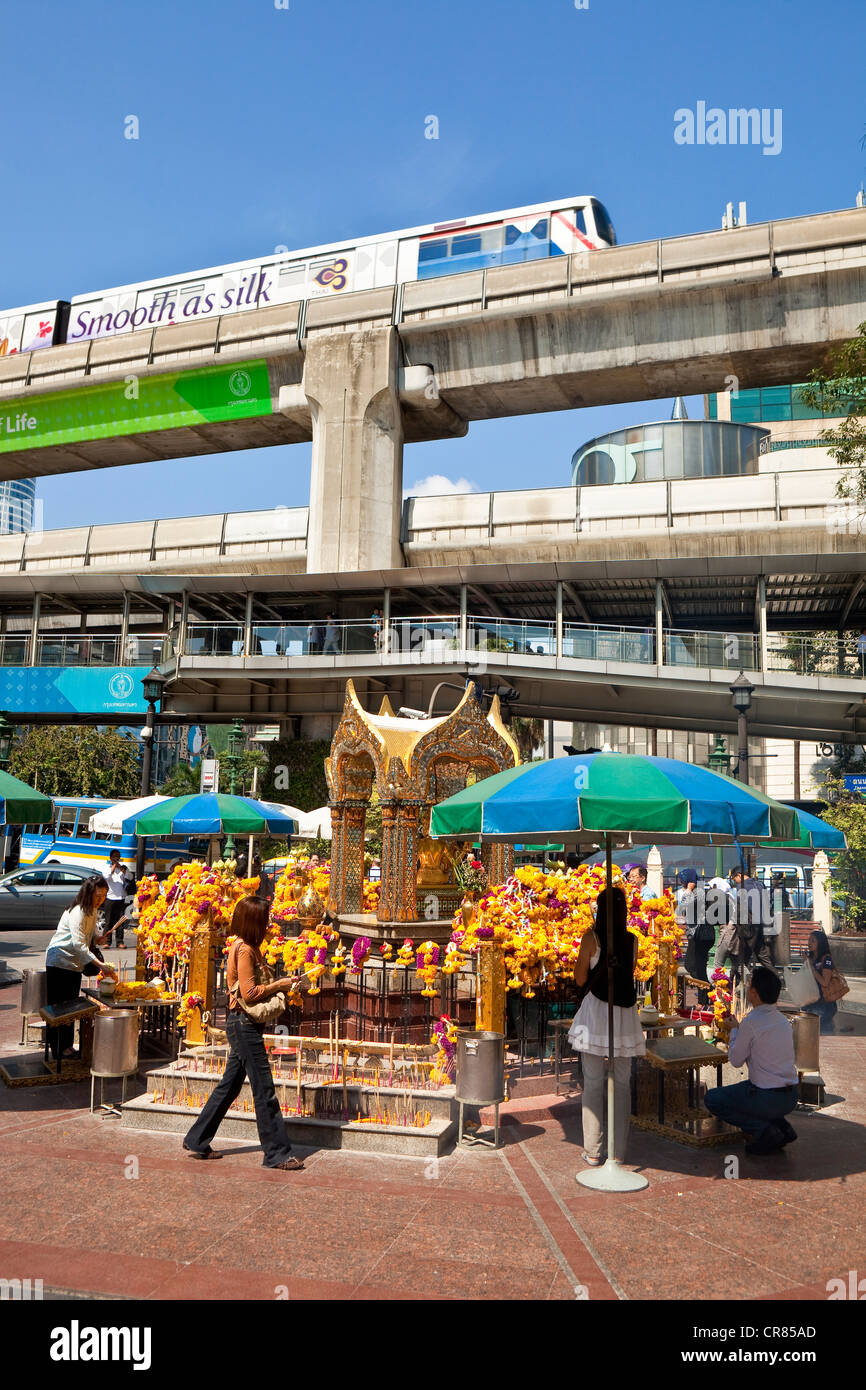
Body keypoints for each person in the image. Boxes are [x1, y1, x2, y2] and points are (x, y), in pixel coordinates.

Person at [183, 897, 304, 1169]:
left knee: (230, 1086)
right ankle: (277, 1154)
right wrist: (280, 985)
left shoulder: (245, 947)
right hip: (244, 1026)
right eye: (264, 919)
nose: (268, 923)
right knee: (264, 1089)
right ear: (254, 922)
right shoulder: (245, 950)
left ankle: (197, 1138)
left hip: (241, 1024)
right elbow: (249, 993)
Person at [568, 886, 645, 1166]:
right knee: (622, 1083)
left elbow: (579, 979)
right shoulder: (632, 940)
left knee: (593, 1081)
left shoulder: (592, 937)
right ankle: (618, 1150)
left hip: (597, 1013)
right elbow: (629, 972)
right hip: (624, 1015)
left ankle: (593, 1149)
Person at [703, 966, 799, 1155]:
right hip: (791, 1096)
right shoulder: (782, 1020)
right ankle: (780, 1125)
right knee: (746, 1088)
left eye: (748, 986)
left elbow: (736, 1060)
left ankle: (763, 1129)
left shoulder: (751, 1022)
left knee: (712, 1099)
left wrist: (734, 1031)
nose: (746, 989)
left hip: (767, 1097)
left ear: (754, 993)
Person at [45, 876, 117, 1061]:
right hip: (60, 962)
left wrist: (97, 939)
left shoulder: (92, 911)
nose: (101, 900)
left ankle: (67, 1046)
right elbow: (79, 944)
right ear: (88, 893)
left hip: (75, 964)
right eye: (98, 896)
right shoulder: (78, 911)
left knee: (71, 1006)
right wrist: (100, 965)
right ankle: (58, 1049)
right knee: (59, 1007)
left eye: (104, 896)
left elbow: (88, 938)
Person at [677, 868, 713, 1006]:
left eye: (683, 881)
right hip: (698, 935)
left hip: (700, 936)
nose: (682, 884)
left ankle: (705, 995)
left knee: (694, 966)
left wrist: (688, 890)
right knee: (695, 967)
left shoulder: (698, 893)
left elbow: (683, 908)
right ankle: (705, 994)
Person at [729, 865, 774, 975]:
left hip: (749, 927)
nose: (735, 882)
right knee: (762, 956)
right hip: (761, 924)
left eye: (735, 879)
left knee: (741, 958)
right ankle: (776, 977)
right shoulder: (759, 884)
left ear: (739, 875)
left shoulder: (742, 887)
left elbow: (742, 908)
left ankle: (734, 983)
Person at [802, 929, 844, 1035]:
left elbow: (825, 982)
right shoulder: (812, 958)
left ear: (820, 943)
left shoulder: (826, 959)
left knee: (822, 1035)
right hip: (812, 1002)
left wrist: (812, 968)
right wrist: (806, 963)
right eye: (809, 940)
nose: (809, 943)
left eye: (813, 941)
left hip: (824, 1004)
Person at [102, 849, 133, 947]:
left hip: (121, 898)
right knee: (109, 921)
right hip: (110, 898)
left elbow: (130, 877)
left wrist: (122, 869)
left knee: (120, 920)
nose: (117, 858)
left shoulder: (123, 868)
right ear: (111, 858)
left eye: (118, 856)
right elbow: (106, 877)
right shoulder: (107, 867)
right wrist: (114, 866)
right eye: (115, 856)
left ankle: (120, 942)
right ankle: (107, 941)